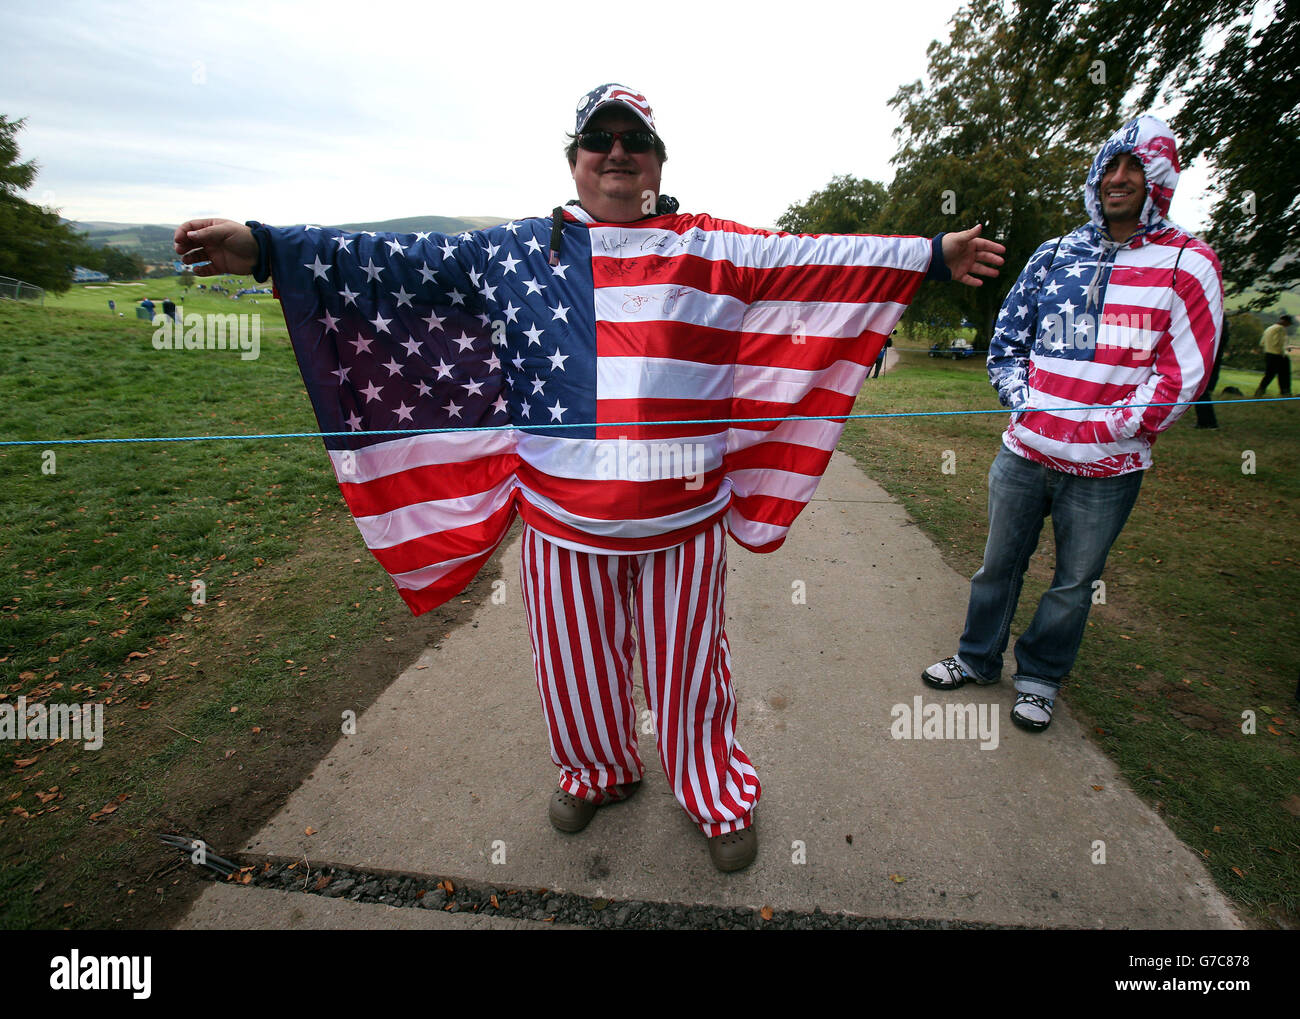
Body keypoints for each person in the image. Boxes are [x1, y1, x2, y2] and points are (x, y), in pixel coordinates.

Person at [174, 83, 1004, 871]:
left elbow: (823, 265)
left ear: (659, 159)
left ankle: (716, 794)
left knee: (691, 669)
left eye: (634, 140)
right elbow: (388, 263)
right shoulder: (513, 252)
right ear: (573, 157)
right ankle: (595, 771)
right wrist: (265, 247)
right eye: (598, 140)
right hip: (562, 520)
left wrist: (932, 252)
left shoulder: (717, 246)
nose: (617, 153)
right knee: (573, 666)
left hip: (683, 524)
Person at [922, 115, 1222, 732]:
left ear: (1160, 176)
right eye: (1110, 166)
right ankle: (978, 659)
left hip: (1107, 469)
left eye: (1135, 166)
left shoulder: (1188, 265)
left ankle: (1038, 677)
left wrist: (1109, 427)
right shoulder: (1056, 253)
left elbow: (1183, 376)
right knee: (997, 565)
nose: (1118, 178)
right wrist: (1025, 402)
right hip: (1025, 452)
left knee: (1074, 582)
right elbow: (1007, 341)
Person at [1193, 317, 1228, 428]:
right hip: (1210, 356)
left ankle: (1207, 422)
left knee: (1201, 390)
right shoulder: (1219, 321)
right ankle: (1206, 421)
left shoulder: (1215, 322)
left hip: (1208, 358)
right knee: (1201, 390)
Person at [1255, 313, 1293, 397]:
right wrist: (1284, 353)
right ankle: (1285, 392)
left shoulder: (1269, 328)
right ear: (1285, 321)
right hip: (1277, 355)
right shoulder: (1280, 329)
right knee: (1284, 374)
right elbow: (1278, 343)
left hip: (1268, 353)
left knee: (1269, 374)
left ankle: (1260, 390)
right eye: (1288, 323)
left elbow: (1262, 342)